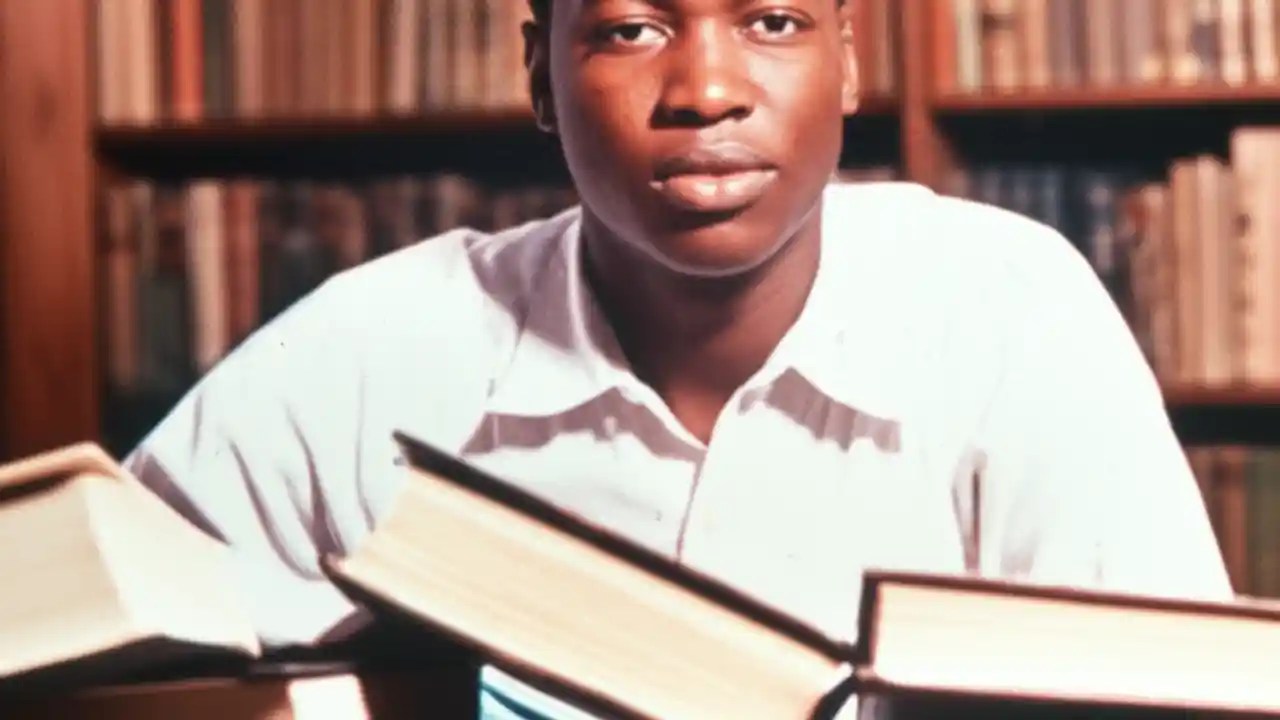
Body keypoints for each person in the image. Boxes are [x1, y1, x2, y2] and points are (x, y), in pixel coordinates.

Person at [124, 0, 1232, 717]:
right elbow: (98, 634)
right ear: (538, 79)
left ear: (846, 65)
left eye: (773, 21)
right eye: (630, 29)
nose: (707, 89)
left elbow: (1161, 696)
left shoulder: (1006, 306)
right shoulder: (366, 348)